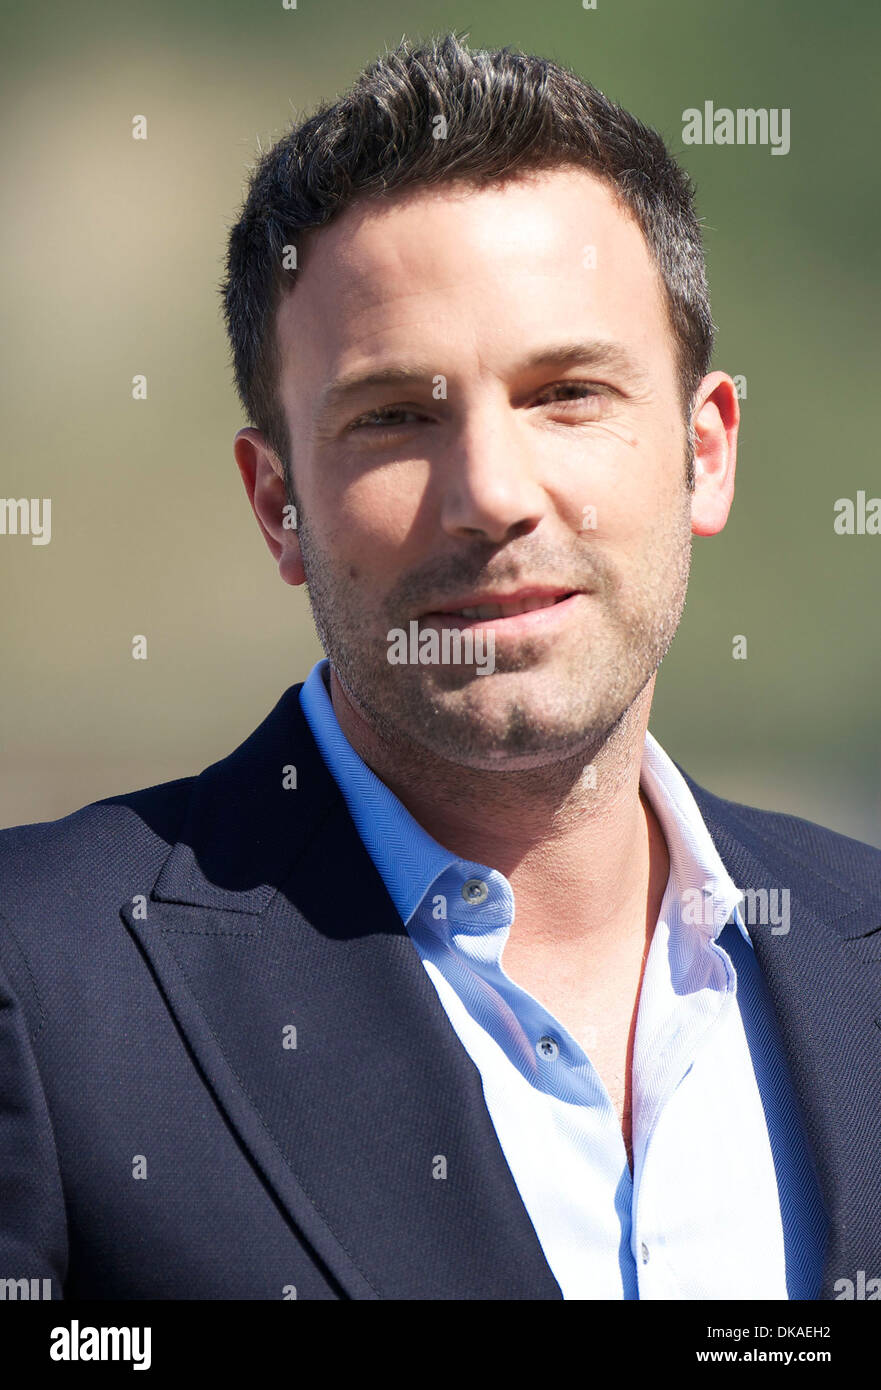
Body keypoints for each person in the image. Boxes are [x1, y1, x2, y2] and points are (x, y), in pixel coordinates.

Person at [1, 32, 879, 1303]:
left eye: (566, 392)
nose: (490, 494)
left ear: (706, 450)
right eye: (395, 416)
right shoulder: (48, 983)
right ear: (277, 506)